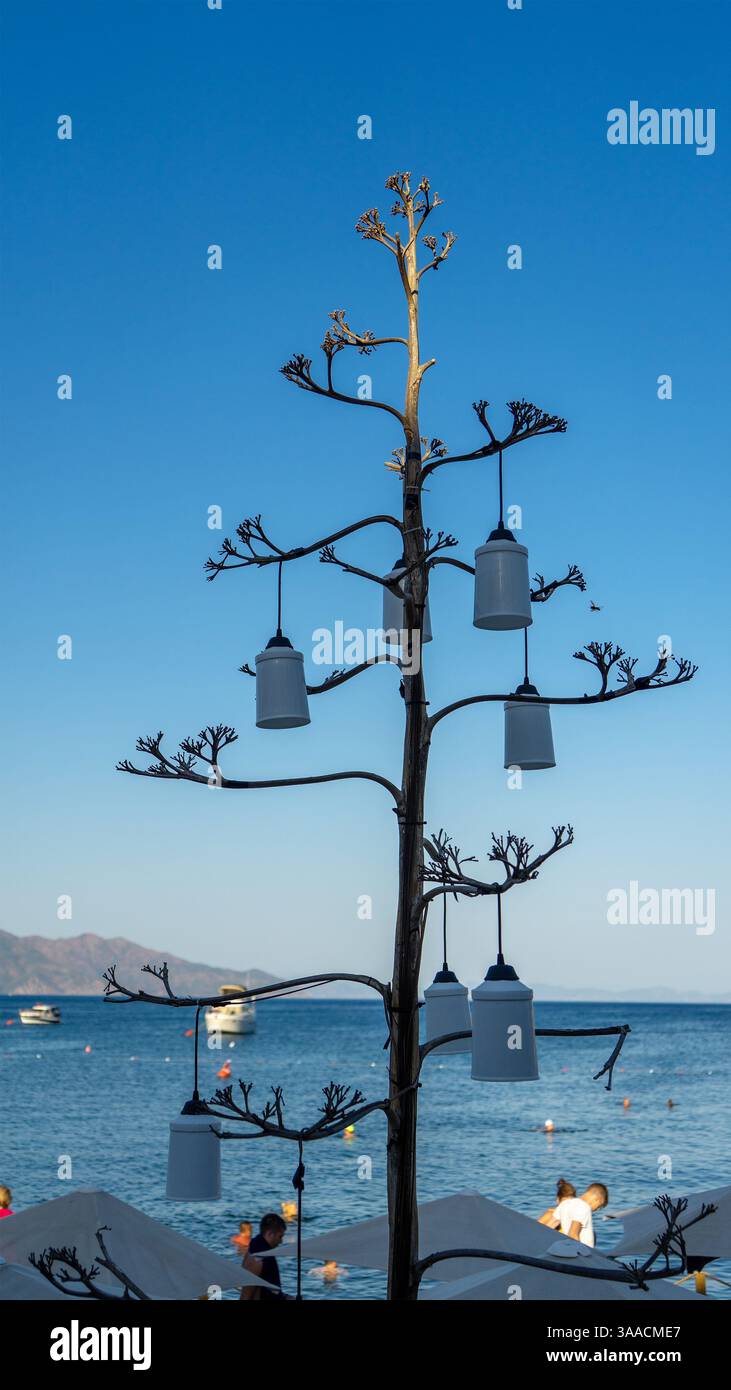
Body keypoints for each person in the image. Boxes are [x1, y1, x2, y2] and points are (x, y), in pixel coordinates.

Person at [539, 1183, 609, 1248]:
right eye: (599, 1206)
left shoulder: (565, 1203)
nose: (595, 1210)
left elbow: (548, 1227)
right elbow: (573, 1234)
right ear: (598, 1200)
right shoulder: (584, 1207)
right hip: (582, 1254)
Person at [240, 1213, 291, 1301]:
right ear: (270, 1234)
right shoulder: (257, 1258)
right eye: (280, 1236)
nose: (281, 1241)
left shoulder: (262, 1249)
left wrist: (285, 1297)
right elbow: (246, 1295)